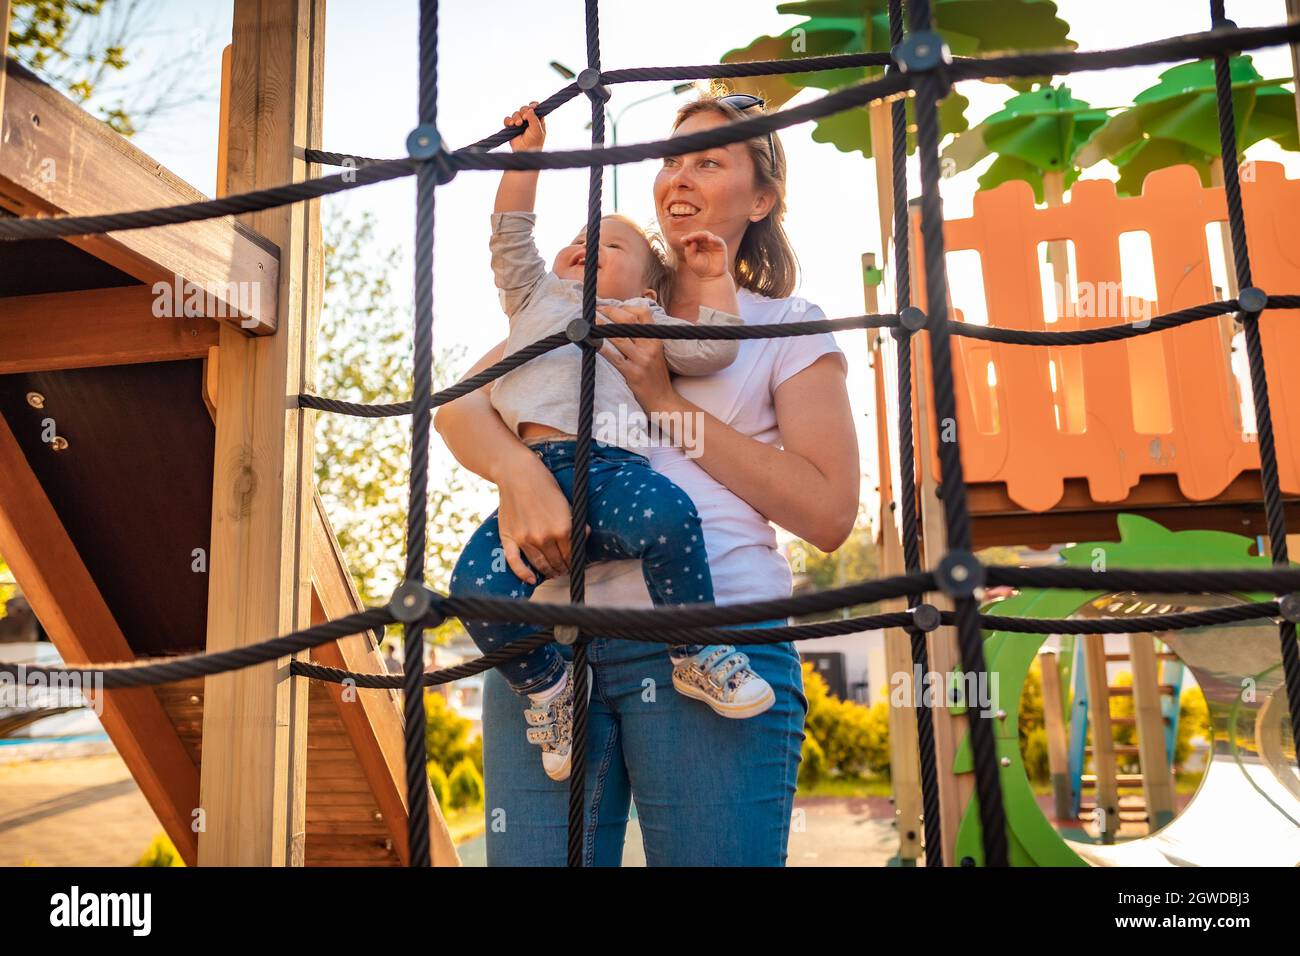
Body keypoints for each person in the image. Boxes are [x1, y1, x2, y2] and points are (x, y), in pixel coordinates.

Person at [435, 91, 860, 865]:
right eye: (671, 159)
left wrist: (664, 400)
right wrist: (518, 473)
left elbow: (829, 512)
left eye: (710, 160)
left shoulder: (785, 324)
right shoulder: (579, 307)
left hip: (714, 636)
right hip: (554, 645)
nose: (679, 176)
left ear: (761, 198)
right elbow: (458, 408)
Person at [449, 101, 775, 783]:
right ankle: (548, 689)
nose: (585, 247)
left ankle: (694, 651)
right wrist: (525, 161)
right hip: (536, 474)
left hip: (611, 470)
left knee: (670, 515)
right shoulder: (534, 302)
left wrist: (712, 279)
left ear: (648, 284)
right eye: (579, 238)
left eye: (612, 245)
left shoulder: (641, 320)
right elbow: (510, 234)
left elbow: (711, 356)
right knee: (473, 588)